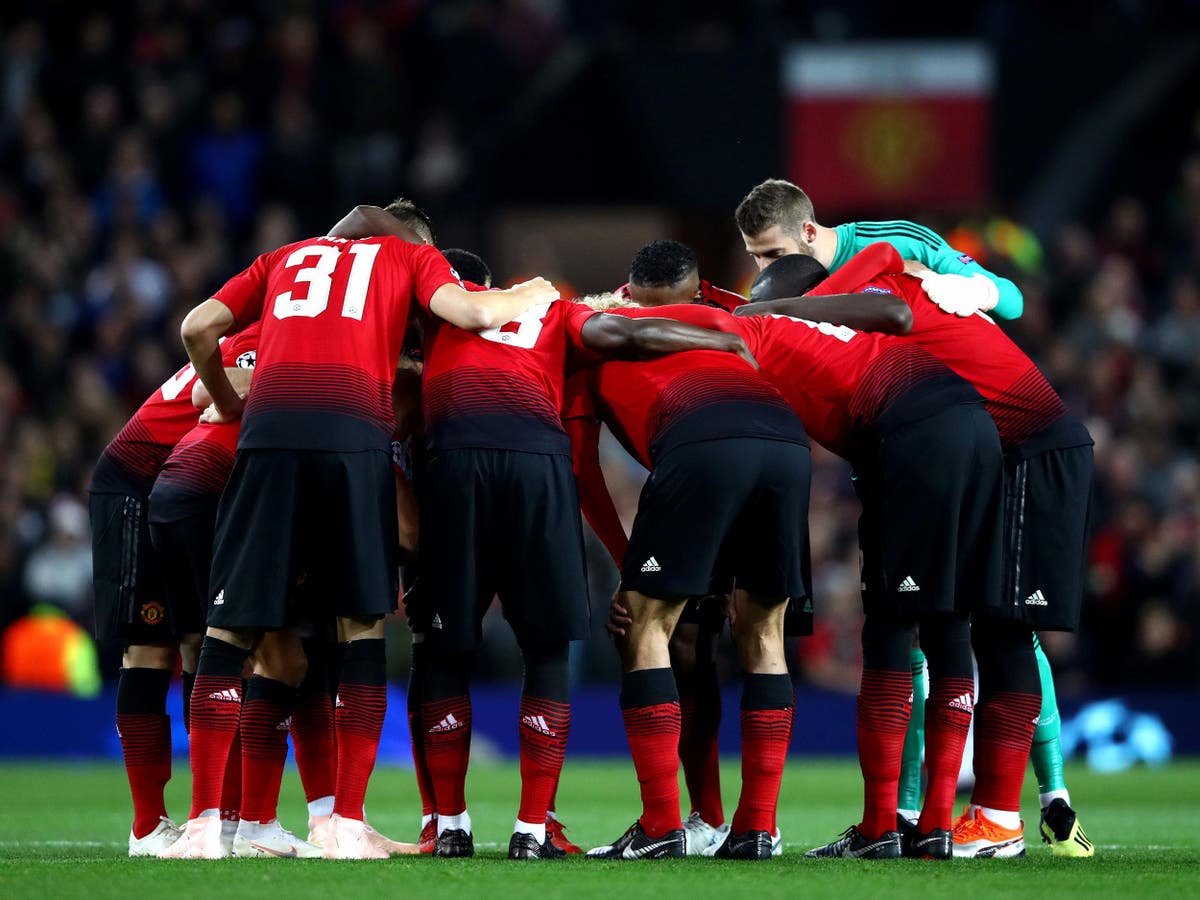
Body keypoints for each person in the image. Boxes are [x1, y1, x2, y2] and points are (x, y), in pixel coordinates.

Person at [164, 198, 558, 860]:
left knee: (228, 630)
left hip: (268, 440)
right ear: (408, 238)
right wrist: (535, 291)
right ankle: (346, 823)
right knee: (359, 628)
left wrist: (233, 403)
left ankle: (205, 826)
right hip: (352, 437)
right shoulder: (408, 257)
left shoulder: (283, 258)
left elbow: (198, 327)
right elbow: (473, 312)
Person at [750, 241, 1096, 858]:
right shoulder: (880, 310)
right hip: (992, 445)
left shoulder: (874, 299)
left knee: (995, 630)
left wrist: (784, 308)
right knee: (973, 626)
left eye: (767, 256)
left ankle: (982, 819)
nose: (759, 273)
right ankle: (944, 816)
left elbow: (888, 256)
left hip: (1028, 449)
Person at [409, 267, 762, 861]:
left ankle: (448, 825)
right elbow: (620, 333)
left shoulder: (440, 311)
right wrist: (717, 336)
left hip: (455, 457)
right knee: (546, 649)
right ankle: (532, 829)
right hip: (536, 460)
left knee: (443, 647)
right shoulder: (552, 308)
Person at [667, 254, 1002, 860]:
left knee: (891, 632)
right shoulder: (860, 325)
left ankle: (879, 829)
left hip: (913, 437)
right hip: (975, 427)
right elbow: (893, 310)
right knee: (951, 624)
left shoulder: (765, 326)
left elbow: (702, 326)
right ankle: (935, 826)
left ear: (772, 298)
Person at [564, 296, 808, 862]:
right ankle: (753, 829)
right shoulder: (717, 321)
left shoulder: (587, 348)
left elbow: (583, 470)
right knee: (762, 635)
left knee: (643, 628)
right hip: (785, 439)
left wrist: (628, 566)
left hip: (700, 440)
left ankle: (659, 826)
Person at [87, 321, 260, 858]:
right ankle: (146, 826)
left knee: (200, 644)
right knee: (149, 649)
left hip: (183, 489)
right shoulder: (266, 337)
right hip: (137, 483)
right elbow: (208, 390)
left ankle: (214, 818)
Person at [734, 178, 1024, 319]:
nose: (763, 270)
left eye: (774, 254)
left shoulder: (901, 241)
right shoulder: (769, 289)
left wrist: (975, 290)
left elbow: (1014, 303)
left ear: (808, 231)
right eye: (754, 256)